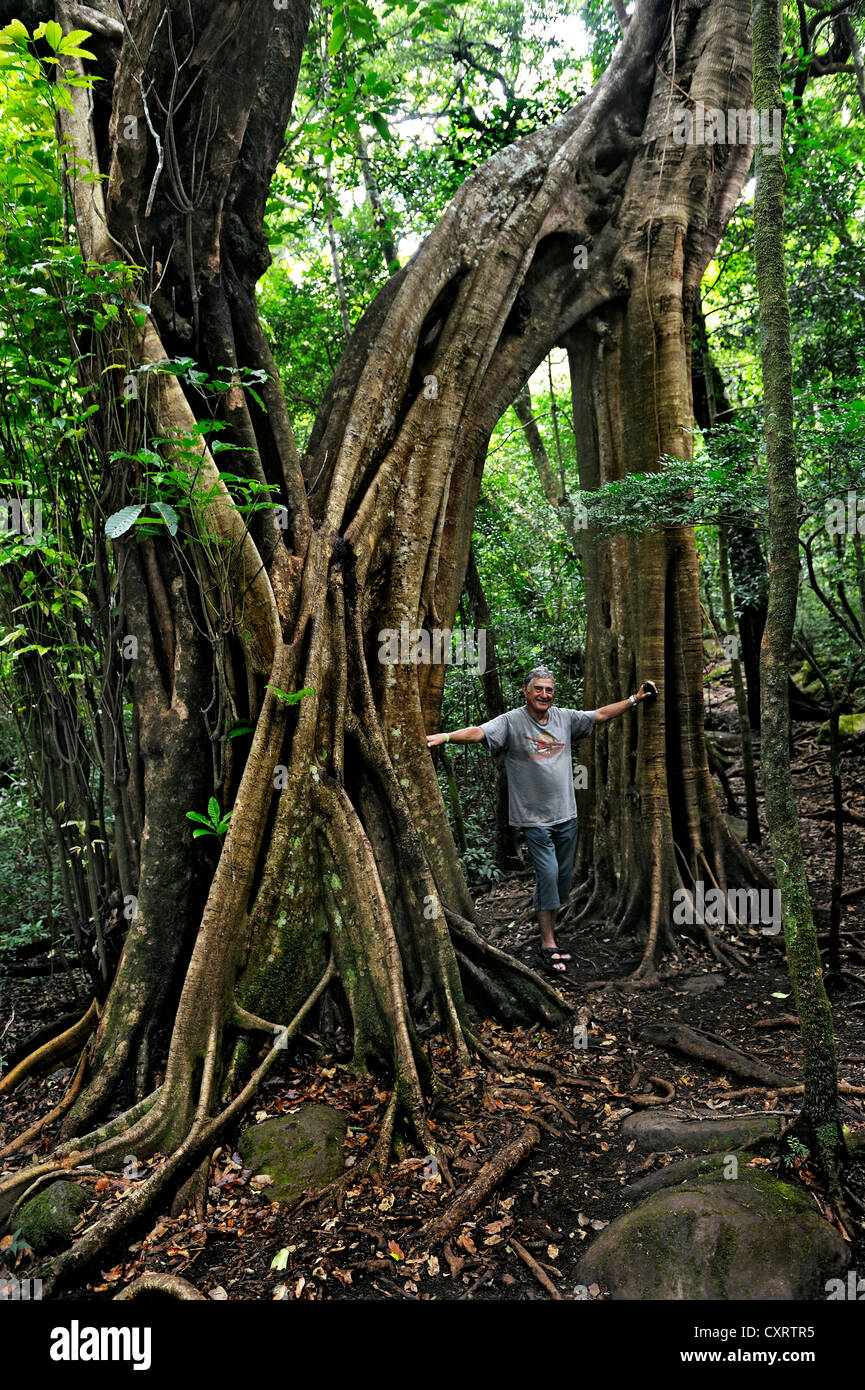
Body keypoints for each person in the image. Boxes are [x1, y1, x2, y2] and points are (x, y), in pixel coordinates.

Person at [426, 666, 657, 974]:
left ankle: (548, 920)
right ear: (526, 691)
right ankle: (548, 941)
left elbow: (599, 715)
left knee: (561, 881)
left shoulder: (564, 718)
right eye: (539, 689)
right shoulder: (511, 721)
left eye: (549, 690)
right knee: (547, 875)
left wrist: (635, 699)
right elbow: (480, 731)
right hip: (534, 820)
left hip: (567, 816)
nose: (544, 695)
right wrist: (446, 736)